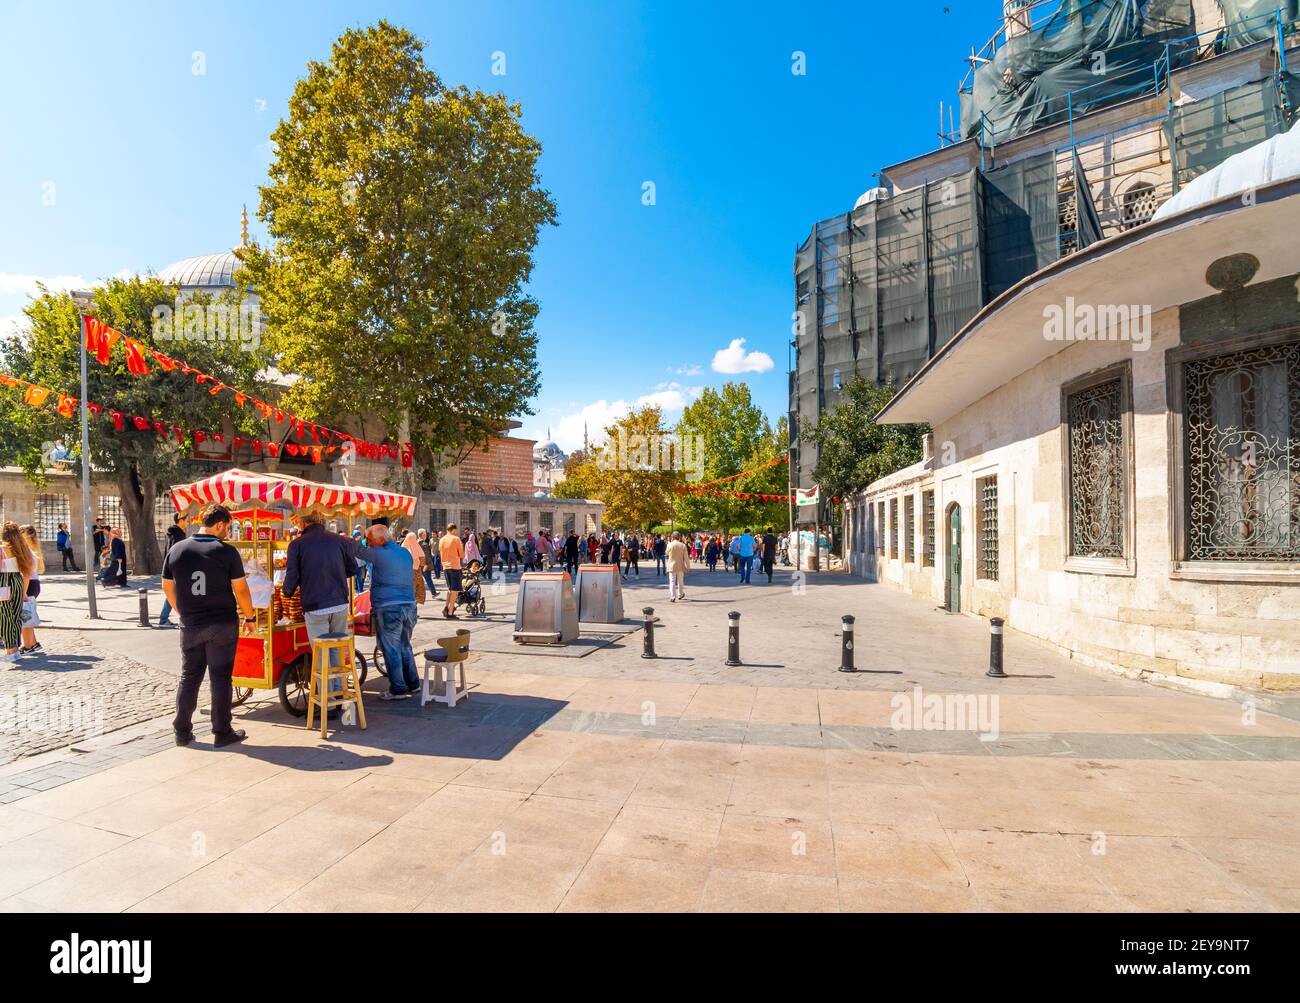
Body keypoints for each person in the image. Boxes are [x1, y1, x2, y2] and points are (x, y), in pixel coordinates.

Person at [162, 504, 255, 749]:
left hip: (191, 623)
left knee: (189, 677)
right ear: (220, 525)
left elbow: (166, 586)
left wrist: (181, 610)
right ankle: (221, 732)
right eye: (229, 527)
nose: (228, 532)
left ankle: (182, 732)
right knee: (221, 678)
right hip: (222, 623)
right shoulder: (226, 552)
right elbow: (241, 589)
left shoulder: (177, 549)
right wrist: (250, 616)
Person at [283, 510, 361, 668]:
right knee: (335, 650)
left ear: (303, 523)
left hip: (316, 606)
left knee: (321, 655)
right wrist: (336, 575)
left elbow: (292, 575)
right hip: (340, 604)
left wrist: (287, 592)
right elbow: (353, 569)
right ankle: (338, 690)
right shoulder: (340, 540)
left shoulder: (297, 544)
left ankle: (326, 692)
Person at [354, 524, 419, 700]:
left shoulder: (378, 553)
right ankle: (413, 684)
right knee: (405, 645)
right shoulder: (404, 552)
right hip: (409, 606)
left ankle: (397, 689)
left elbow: (356, 549)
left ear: (381, 539)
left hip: (389, 607)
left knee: (391, 649)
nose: (368, 543)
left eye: (370, 539)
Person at [0, 522, 36, 665]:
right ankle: (14, 651)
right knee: (15, 618)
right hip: (17, 581)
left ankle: (11, 652)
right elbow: (27, 573)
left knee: (5, 619)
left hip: (4, 582)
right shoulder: (22, 549)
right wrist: (24, 594)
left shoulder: (2, 549)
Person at [16, 525, 44, 656]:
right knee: (27, 615)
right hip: (33, 584)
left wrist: (23, 593)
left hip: (28, 585)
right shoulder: (31, 549)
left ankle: (28, 647)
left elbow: (26, 574)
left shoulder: (26, 551)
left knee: (25, 617)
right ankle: (33, 643)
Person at [158, 516, 187, 627]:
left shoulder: (173, 533)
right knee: (174, 593)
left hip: (171, 567)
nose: (187, 522)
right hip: (177, 568)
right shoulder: (178, 535)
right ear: (180, 520)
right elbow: (178, 552)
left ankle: (164, 618)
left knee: (174, 592)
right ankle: (164, 619)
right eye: (186, 520)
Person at [439, 524, 465, 620]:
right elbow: (461, 554)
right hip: (454, 566)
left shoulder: (441, 540)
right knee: (455, 590)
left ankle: (446, 607)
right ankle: (450, 612)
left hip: (445, 566)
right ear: (454, 530)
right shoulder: (456, 539)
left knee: (450, 589)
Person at [402, 530, 427, 606]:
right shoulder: (417, 548)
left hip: (405, 573)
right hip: (416, 573)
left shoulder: (402, 549)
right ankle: (413, 608)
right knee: (416, 590)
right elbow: (422, 561)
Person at [665, 531, 689, 602]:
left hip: (672, 565)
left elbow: (666, 552)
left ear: (672, 537)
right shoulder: (683, 545)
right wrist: (688, 566)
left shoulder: (670, 544)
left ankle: (672, 597)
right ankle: (680, 594)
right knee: (680, 581)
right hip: (680, 565)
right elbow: (686, 557)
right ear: (679, 537)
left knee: (672, 581)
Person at [417, 529, 438, 598]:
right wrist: (426, 564)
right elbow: (426, 555)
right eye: (425, 534)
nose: (426, 535)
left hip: (418, 564)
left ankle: (433, 592)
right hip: (425, 565)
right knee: (428, 579)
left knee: (420, 580)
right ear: (423, 535)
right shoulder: (424, 544)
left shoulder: (416, 543)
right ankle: (433, 593)